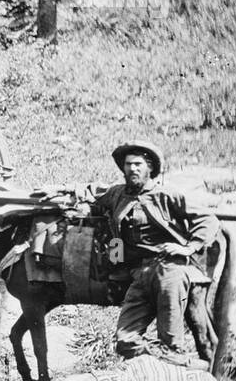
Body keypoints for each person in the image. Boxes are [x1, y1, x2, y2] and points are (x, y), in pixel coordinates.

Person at [86, 141, 217, 368]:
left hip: (170, 270)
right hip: (140, 274)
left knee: (171, 341)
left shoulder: (166, 195)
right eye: (128, 165)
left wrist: (188, 247)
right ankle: (175, 363)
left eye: (138, 164)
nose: (132, 169)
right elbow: (94, 198)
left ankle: (181, 376)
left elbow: (207, 219)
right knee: (125, 341)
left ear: (149, 168)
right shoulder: (117, 194)